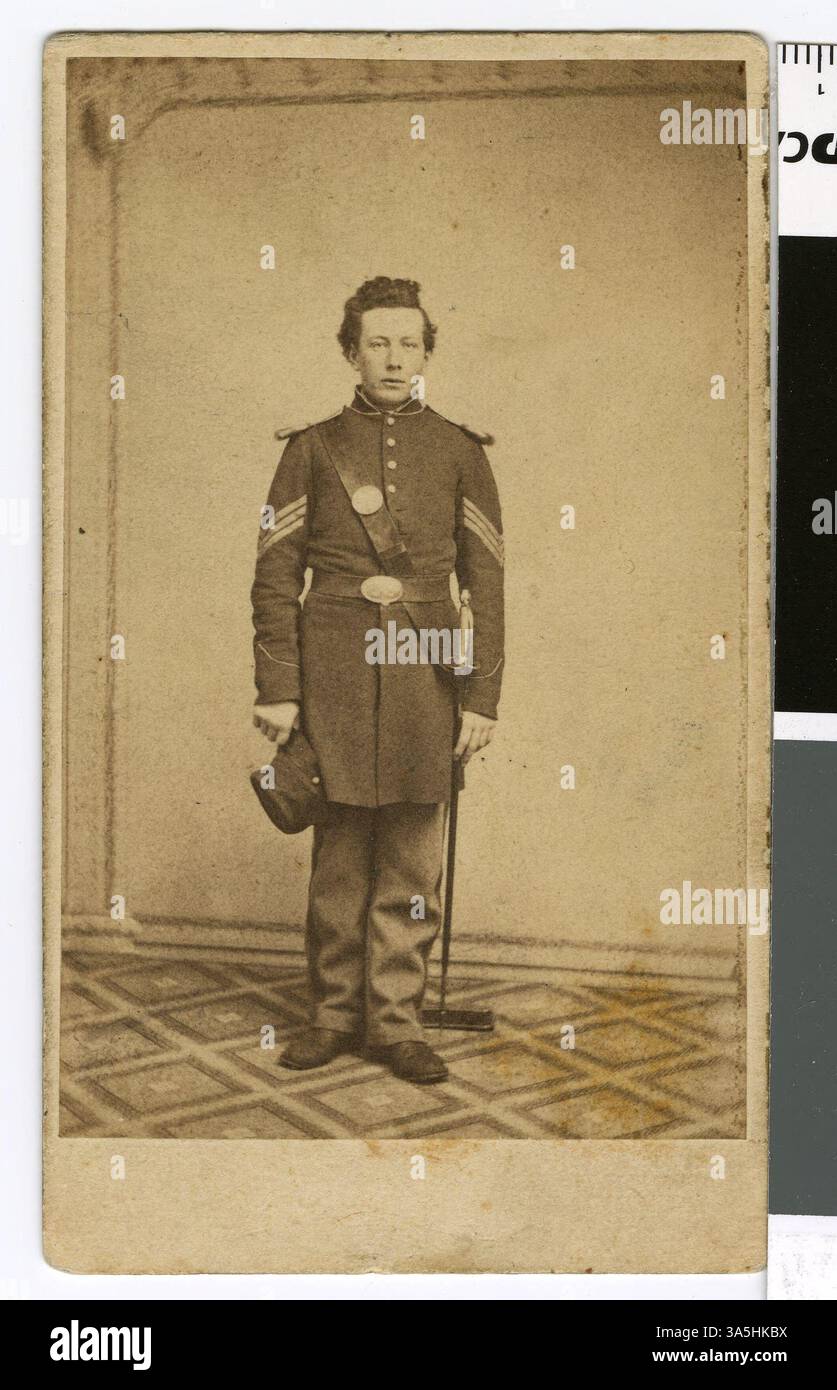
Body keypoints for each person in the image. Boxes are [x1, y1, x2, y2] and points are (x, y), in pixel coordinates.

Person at [250, 276, 504, 1084]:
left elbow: (487, 585)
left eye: (408, 343)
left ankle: (396, 1024)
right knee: (338, 859)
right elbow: (272, 575)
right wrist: (278, 686)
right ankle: (331, 1016)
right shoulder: (310, 448)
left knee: (409, 860)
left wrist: (481, 696)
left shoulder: (460, 450)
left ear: (426, 350)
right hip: (331, 671)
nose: (393, 358)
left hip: (427, 673)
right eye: (377, 343)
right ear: (350, 351)